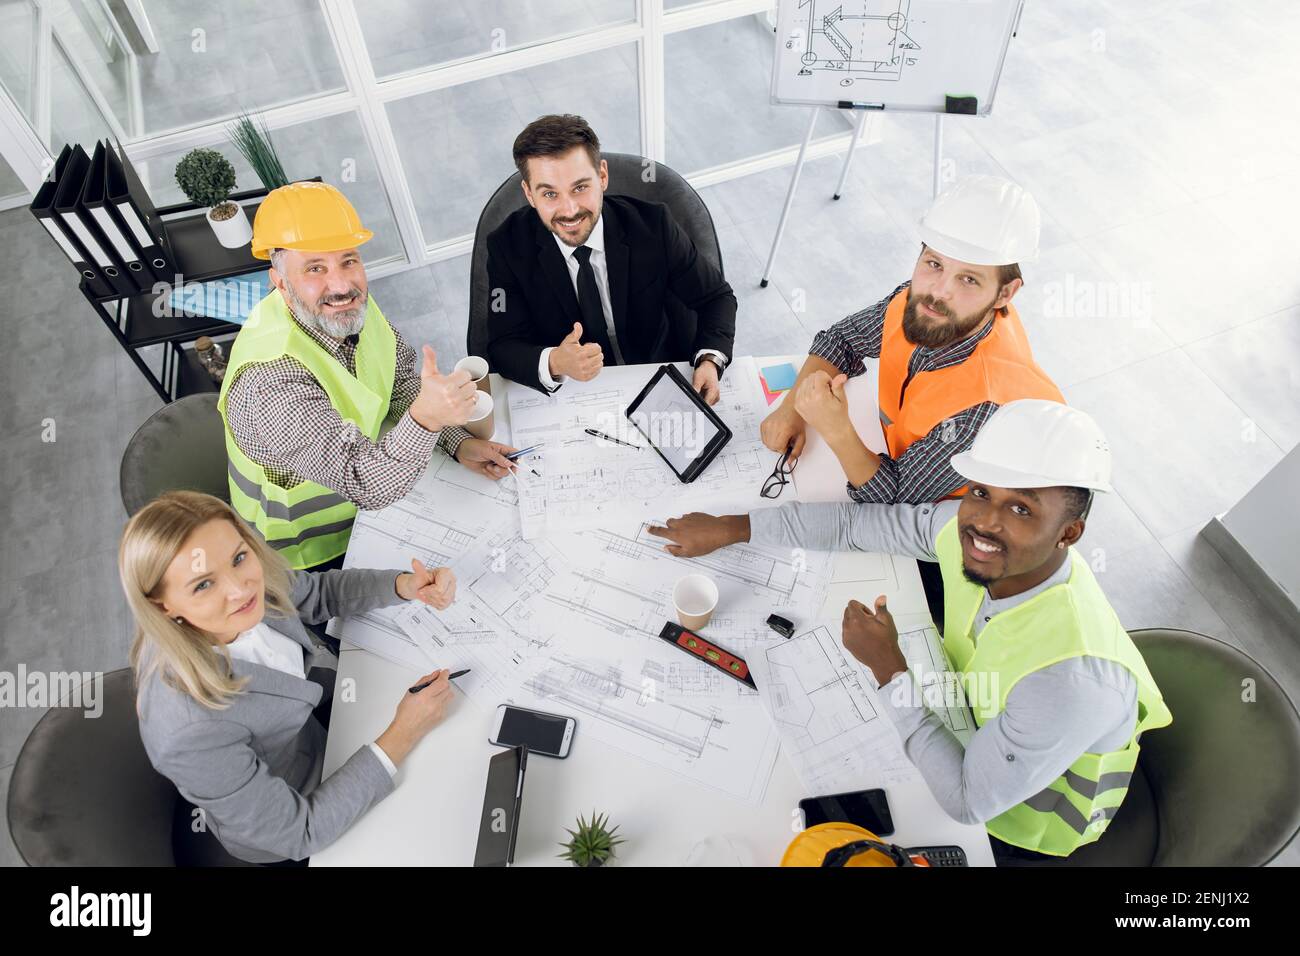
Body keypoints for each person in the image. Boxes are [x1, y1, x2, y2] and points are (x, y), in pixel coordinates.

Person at [649, 401, 1172, 863]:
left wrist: (889, 669)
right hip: (975, 718)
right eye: (981, 491)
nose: (983, 523)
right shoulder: (969, 532)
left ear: (1069, 534)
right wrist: (734, 527)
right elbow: (856, 527)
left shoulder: (1071, 680)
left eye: (1021, 508)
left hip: (1022, 830)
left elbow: (967, 801)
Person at [121, 491, 456, 865]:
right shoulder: (189, 731)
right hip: (294, 822)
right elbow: (301, 833)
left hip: (315, 736)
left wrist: (404, 586)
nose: (240, 589)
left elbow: (318, 594)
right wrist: (405, 730)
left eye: (238, 557)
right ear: (162, 606)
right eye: (203, 584)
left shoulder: (249, 574)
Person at [219, 181, 517, 571]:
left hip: (377, 506)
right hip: (315, 550)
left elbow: (397, 383)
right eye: (315, 268)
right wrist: (427, 418)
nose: (342, 284)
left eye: (348, 260)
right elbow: (365, 482)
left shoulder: (349, 307)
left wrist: (456, 441)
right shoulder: (271, 383)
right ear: (280, 284)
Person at [760, 175, 1063, 505]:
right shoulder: (919, 302)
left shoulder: (987, 407)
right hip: (892, 452)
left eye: (968, 279)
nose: (939, 291)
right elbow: (842, 340)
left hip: (945, 514)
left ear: (1005, 293)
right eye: (934, 263)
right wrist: (792, 408)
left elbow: (896, 499)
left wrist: (836, 429)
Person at [485, 113, 737, 403]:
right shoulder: (507, 246)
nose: (569, 211)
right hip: (572, 392)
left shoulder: (654, 226)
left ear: (602, 176)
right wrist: (555, 361)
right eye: (550, 194)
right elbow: (502, 345)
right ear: (529, 194)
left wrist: (709, 360)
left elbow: (715, 297)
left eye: (580, 188)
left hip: (656, 374)